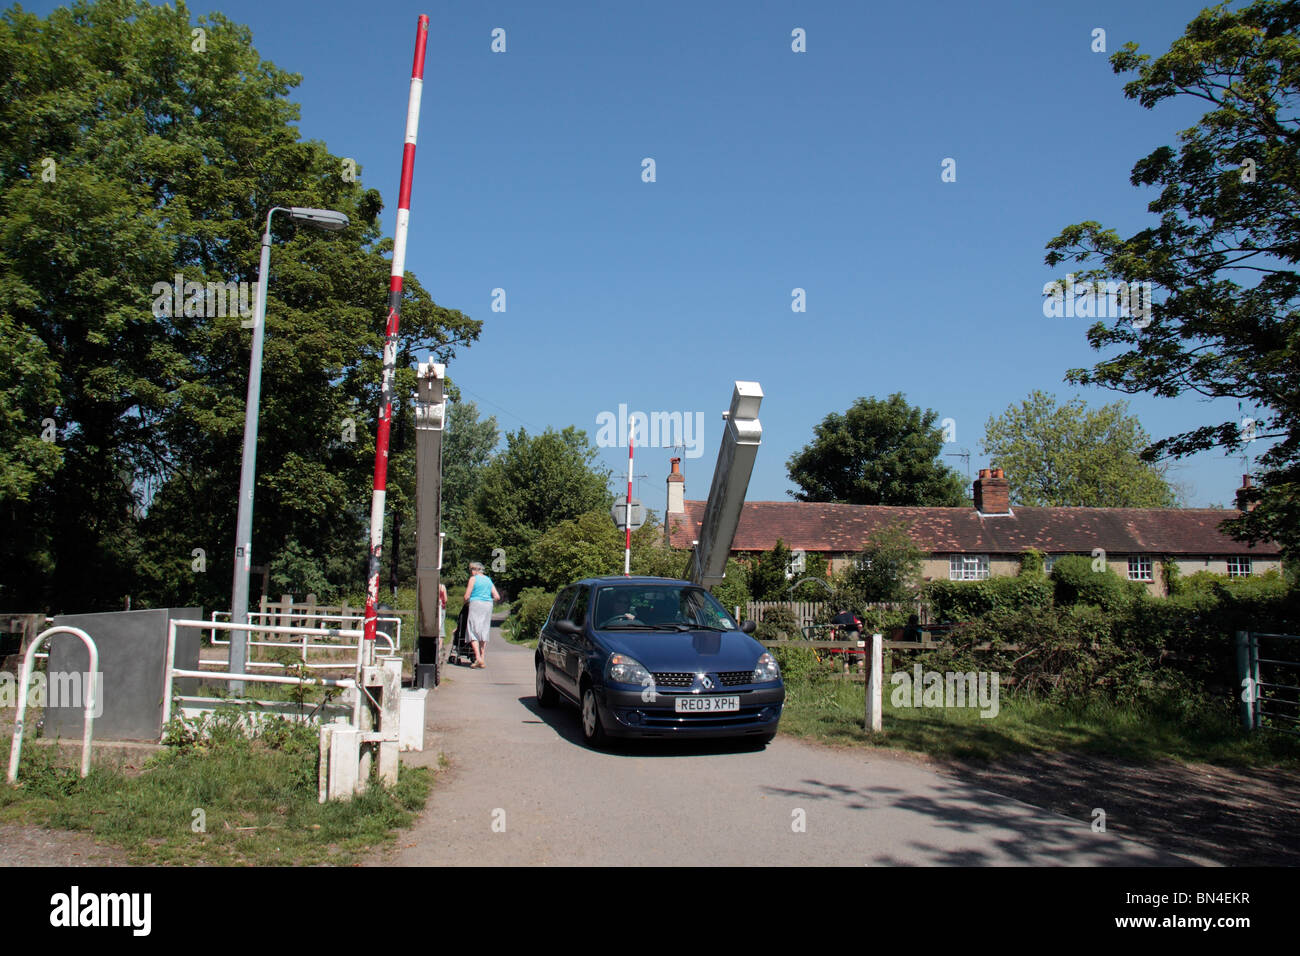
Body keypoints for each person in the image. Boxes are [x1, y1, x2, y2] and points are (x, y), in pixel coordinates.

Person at [463, 561, 500, 668]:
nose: (471, 572)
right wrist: (488, 599)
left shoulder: (473, 579)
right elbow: (497, 597)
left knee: (472, 630)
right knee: (484, 629)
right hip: (488, 605)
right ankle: (482, 659)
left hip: (476, 604)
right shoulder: (488, 580)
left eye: (471, 570)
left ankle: (478, 657)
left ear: (475, 570)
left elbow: (466, 596)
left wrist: (465, 602)